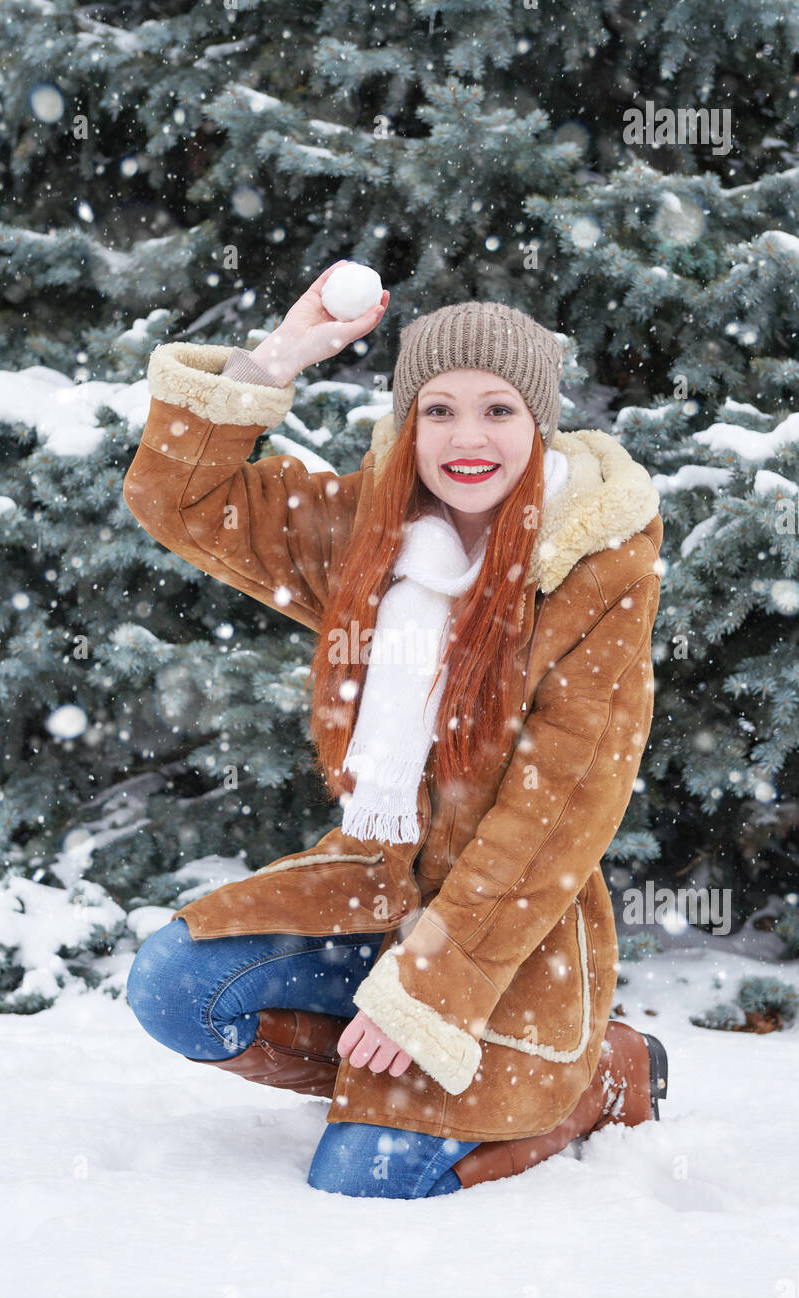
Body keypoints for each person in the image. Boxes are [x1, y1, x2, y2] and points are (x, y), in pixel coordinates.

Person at [122, 261, 668, 1199]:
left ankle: (603, 1073)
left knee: (364, 1182)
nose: (467, 439)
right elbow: (178, 501)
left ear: (540, 424)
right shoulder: (369, 530)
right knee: (175, 985)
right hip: (371, 893)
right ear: (408, 422)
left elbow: (558, 814)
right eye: (439, 410)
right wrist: (282, 354)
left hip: (502, 942)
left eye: (498, 411)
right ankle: (371, 1077)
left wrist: (429, 988)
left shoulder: (597, 570)